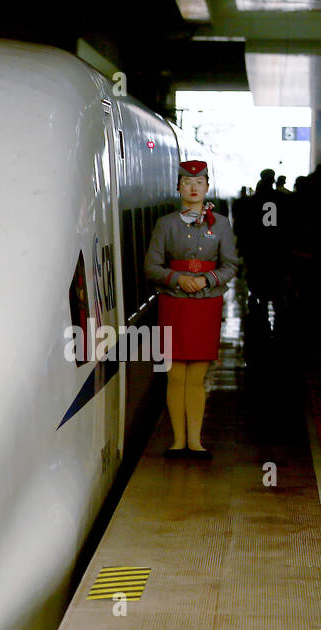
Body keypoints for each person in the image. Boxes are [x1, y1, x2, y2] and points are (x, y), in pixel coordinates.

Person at [143, 159, 239, 460]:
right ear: (178, 187)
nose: (193, 187)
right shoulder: (165, 224)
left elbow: (231, 265)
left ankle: (195, 442)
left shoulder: (221, 224)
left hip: (206, 306)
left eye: (199, 182)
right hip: (174, 304)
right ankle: (178, 441)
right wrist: (178, 279)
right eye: (187, 182)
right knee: (174, 376)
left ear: (207, 186)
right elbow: (151, 266)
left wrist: (206, 280)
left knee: (196, 377)